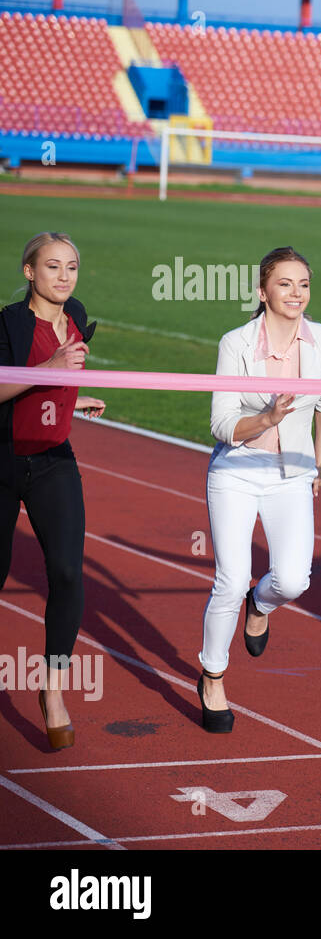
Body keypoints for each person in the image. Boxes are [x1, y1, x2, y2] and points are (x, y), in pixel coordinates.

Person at [196, 246, 321, 733]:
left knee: (294, 581)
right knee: (230, 580)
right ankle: (213, 676)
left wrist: (320, 464)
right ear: (262, 291)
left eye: (303, 284)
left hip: (293, 473)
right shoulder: (235, 342)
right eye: (285, 283)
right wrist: (268, 419)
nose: (296, 293)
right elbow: (220, 423)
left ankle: (263, 604)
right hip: (236, 470)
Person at [0, 232, 106, 751]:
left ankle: (53, 688)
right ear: (29, 272)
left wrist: (71, 398)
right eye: (52, 267)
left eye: (71, 267)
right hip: (2, 458)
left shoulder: (79, 315)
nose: (63, 277)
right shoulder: (8, 322)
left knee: (66, 571)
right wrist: (51, 372)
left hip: (53, 461)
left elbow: (52, 384)